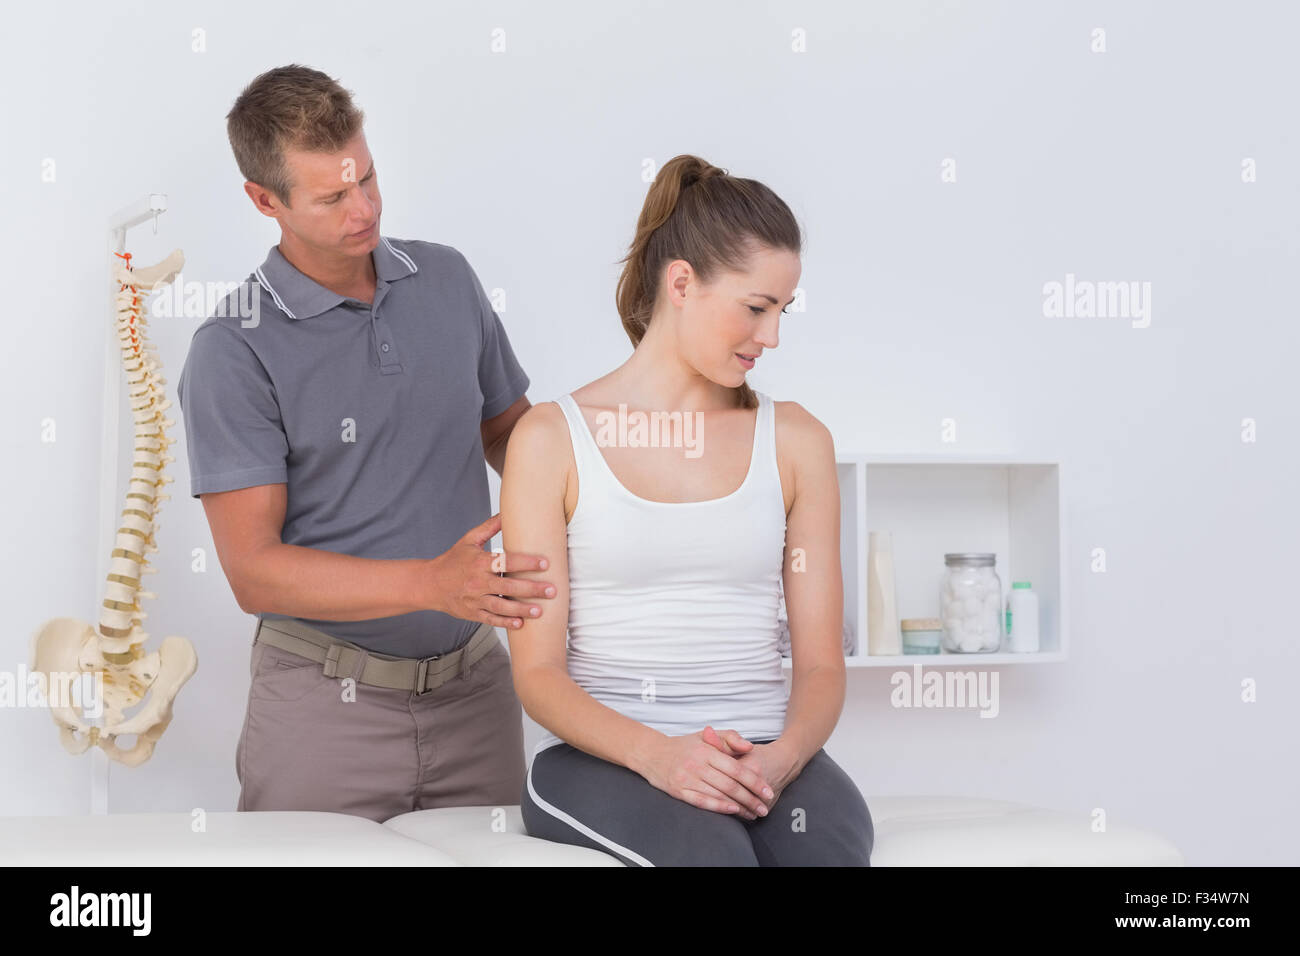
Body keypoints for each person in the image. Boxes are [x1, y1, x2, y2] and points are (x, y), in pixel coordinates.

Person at [177, 64, 555, 822]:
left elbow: (511, 435)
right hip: (322, 714)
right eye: (333, 196)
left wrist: (614, 481)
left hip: (475, 694)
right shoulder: (233, 348)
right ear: (264, 200)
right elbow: (255, 572)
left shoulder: (447, 279)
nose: (365, 208)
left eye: (369, 178)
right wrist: (430, 584)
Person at [501, 154, 874, 865]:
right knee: (715, 857)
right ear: (681, 283)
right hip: (605, 758)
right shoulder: (551, 440)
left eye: (782, 311)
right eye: (756, 308)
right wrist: (661, 757)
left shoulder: (796, 440)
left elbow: (822, 664)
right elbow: (539, 674)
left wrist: (783, 759)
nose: (771, 337)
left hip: (765, 751)